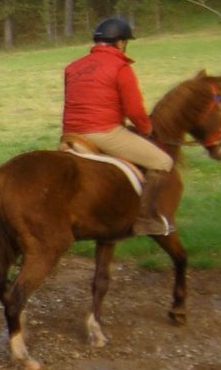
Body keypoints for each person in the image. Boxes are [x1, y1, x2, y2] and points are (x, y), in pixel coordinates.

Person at [62, 17, 175, 236]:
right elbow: (134, 110)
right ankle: (146, 219)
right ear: (121, 43)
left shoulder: (72, 67)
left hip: (71, 135)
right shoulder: (120, 67)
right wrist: (146, 129)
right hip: (104, 132)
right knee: (163, 161)